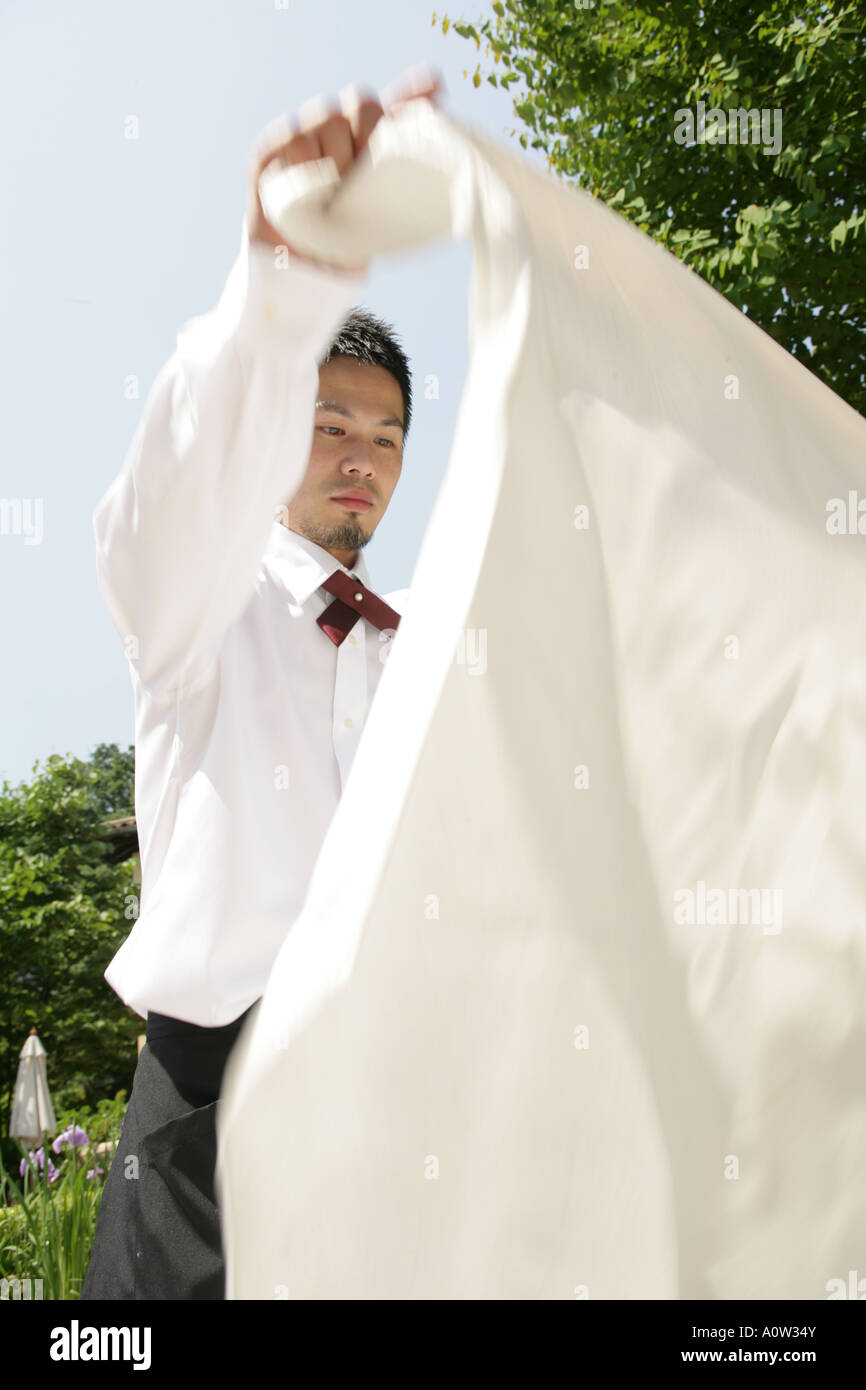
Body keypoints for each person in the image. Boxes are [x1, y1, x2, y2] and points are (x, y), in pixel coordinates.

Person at [80, 64, 443, 1301]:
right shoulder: (206, 601)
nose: (362, 460)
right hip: (201, 1101)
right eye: (330, 426)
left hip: (386, 1107)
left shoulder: (431, 656)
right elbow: (163, 512)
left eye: (387, 437)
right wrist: (271, 301)